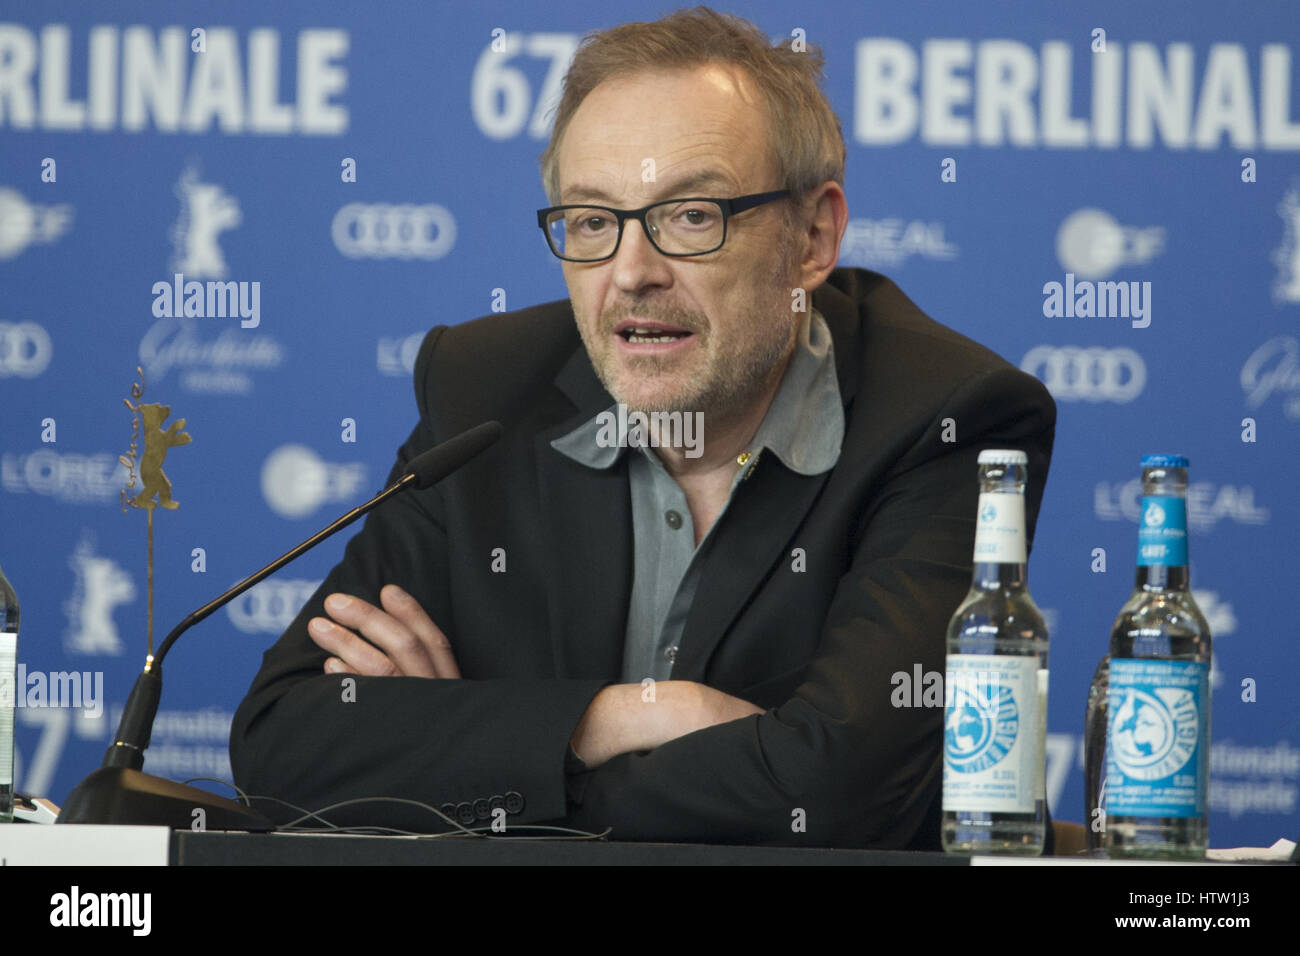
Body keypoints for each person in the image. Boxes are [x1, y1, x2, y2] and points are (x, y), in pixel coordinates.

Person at [229, 6, 1057, 850]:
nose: (630, 274)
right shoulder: (485, 388)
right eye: (592, 221)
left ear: (813, 238)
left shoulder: (947, 417)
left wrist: (474, 751)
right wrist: (619, 718)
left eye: (691, 215)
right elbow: (283, 740)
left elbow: (835, 793)